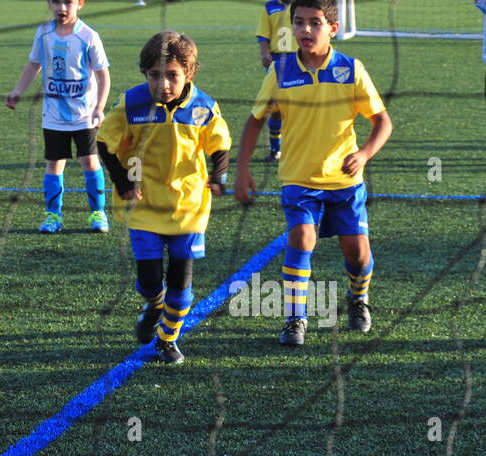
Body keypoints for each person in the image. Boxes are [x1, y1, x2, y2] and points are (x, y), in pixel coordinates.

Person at [234, 0, 393, 345]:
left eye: (315, 23)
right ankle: (295, 318)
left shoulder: (351, 70)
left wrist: (364, 153)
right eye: (299, 22)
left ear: (333, 29)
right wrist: (242, 169)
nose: (305, 30)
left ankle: (358, 298)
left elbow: (382, 121)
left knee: (358, 253)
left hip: (345, 182)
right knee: (302, 237)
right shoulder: (280, 71)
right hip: (299, 179)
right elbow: (255, 120)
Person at [98, 32, 230, 365]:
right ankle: (153, 305)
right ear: (145, 74)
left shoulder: (203, 107)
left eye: (172, 75)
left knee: (181, 283)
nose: (163, 83)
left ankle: (167, 338)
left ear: (190, 74)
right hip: (143, 207)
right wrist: (125, 182)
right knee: (149, 281)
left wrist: (219, 176)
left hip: (189, 209)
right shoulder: (131, 104)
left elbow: (220, 145)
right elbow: (104, 144)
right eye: (155, 75)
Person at [6, 0, 111, 234]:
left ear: (80, 3)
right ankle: (53, 216)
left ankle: (98, 213)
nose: (62, 7)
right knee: (54, 164)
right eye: (56, 2)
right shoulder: (44, 33)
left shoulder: (88, 36)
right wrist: (17, 91)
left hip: (84, 114)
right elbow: (34, 65)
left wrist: (100, 107)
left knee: (90, 161)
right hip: (53, 114)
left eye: (68, 2)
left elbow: (103, 75)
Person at [255, 1, 295, 161]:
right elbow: (263, 35)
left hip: (300, 59)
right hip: (277, 61)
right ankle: (275, 148)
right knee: (275, 106)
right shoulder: (269, 7)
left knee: (301, 106)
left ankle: (299, 148)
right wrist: (264, 53)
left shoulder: (304, 4)